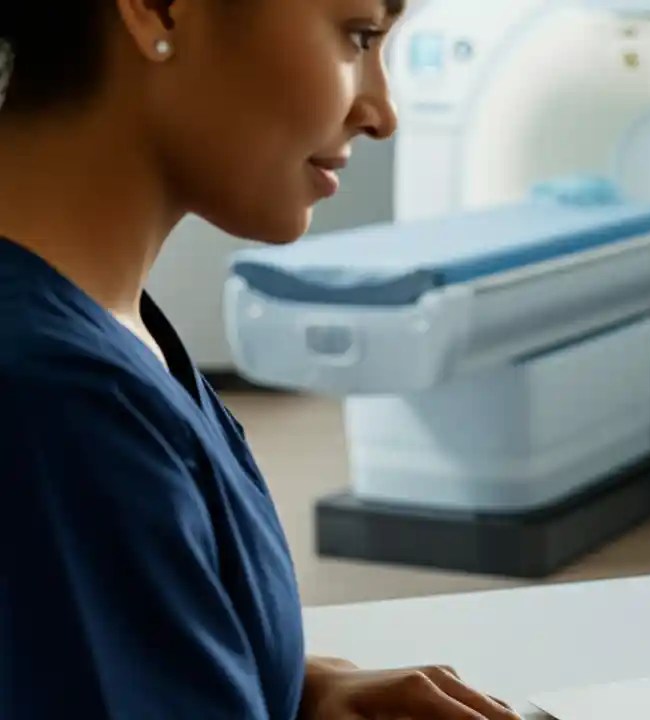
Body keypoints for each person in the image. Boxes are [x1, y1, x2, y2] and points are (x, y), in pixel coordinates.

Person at [0, 1, 520, 718]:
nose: (381, 111)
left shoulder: (103, 332)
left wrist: (285, 687)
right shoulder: (60, 403)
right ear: (157, 10)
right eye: (358, 36)